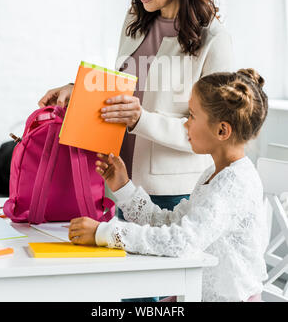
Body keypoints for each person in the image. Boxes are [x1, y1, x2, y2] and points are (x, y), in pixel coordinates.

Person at [38, 0, 233, 216]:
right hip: (120, 182)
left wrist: (141, 120)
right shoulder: (136, 19)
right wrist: (79, 89)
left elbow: (217, 135)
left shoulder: (214, 40)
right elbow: (127, 90)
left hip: (172, 194)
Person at [68, 68, 269, 302]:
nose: (185, 125)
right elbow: (169, 222)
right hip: (197, 294)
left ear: (222, 130)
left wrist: (104, 233)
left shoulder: (234, 184)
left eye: (192, 116)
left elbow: (181, 241)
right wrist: (123, 186)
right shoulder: (213, 175)